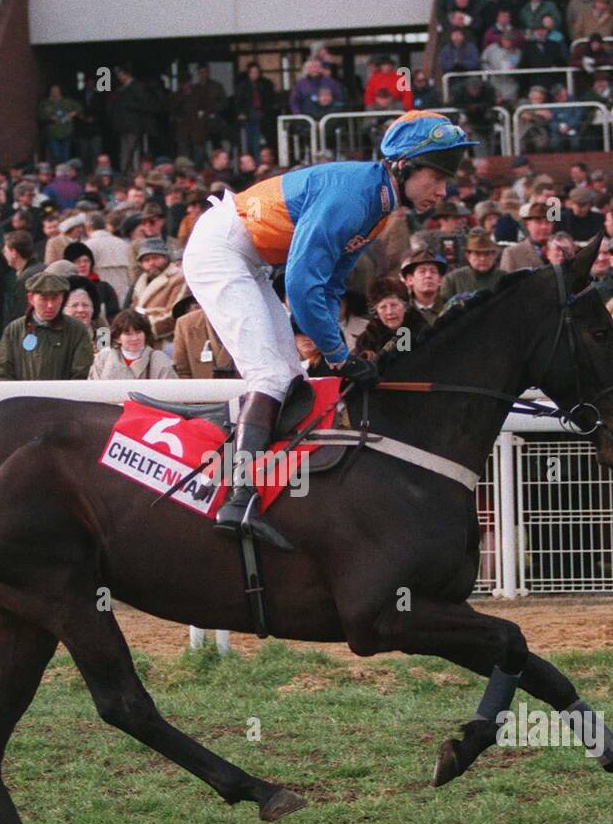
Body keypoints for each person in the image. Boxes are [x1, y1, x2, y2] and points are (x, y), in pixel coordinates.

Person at [182, 109, 476, 544]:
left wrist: (341, 355)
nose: (443, 189)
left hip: (249, 257)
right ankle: (236, 498)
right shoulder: (356, 196)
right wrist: (339, 355)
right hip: (223, 250)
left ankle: (267, 491)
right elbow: (302, 285)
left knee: (290, 376)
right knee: (271, 375)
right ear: (404, 166)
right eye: (437, 176)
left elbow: (332, 282)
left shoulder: (378, 203)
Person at [0, 272, 94, 381]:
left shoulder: (78, 330)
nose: (50, 305)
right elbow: (3, 371)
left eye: (55, 298)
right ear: (31, 298)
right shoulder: (14, 330)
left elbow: (81, 373)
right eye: (44, 299)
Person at [88, 309, 176, 380]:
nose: (134, 338)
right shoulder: (103, 358)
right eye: (128, 334)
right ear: (117, 338)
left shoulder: (159, 358)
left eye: (138, 332)